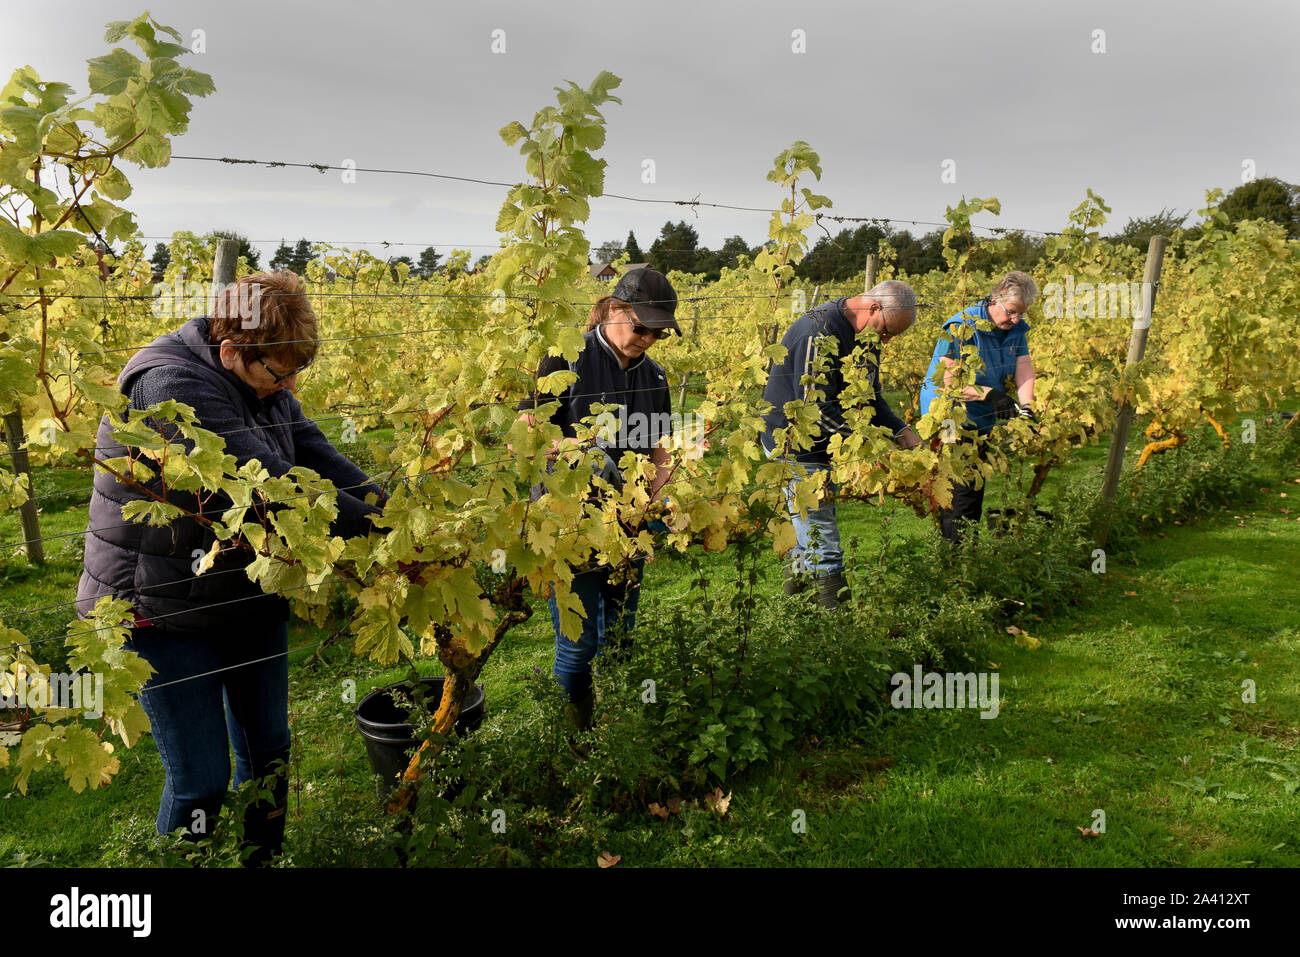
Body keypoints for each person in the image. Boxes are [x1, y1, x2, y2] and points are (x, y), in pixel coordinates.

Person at [77, 270, 386, 865]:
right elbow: (273, 486)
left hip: (241, 593)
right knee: (202, 781)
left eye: (298, 372)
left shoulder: (264, 376)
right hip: (159, 607)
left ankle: (259, 863)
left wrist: (394, 509)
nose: (291, 386)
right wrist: (375, 530)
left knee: (269, 752)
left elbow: (318, 456)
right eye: (281, 373)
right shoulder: (169, 385)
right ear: (231, 352)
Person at [516, 267, 680, 733]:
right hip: (569, 522)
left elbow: (657, 448)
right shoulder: (564, 359)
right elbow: (524, 436)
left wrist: (662, 497)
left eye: (657, 332)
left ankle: (620, 731)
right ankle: (575, 740)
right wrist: (574, 449)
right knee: (579, 641)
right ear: (612, 310)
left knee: (622, 632)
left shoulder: (656, 376)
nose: (648, 338)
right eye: (641, 326)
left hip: (629, 523)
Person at [760, 281, 922, 609]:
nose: (886, 341)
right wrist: (871, 447)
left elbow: (870, 398)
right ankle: (838, 633)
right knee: (823, 539)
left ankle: (795, 618)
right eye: (887, 331)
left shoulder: (868, 335)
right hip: (793, 442)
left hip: (826, 442)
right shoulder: (817, 334)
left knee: (807, 536)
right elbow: (814, 411)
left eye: (893, 337)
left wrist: (901, 430)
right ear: (873, 308)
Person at [918, 270, 1038, 542]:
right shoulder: (961, 326)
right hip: (948, 416)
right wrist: (991, 394)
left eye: (1022, 313)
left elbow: (1024, 369)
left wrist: (1027, 405)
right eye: (1011, 312)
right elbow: (948, 381)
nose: (1016, 318)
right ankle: (955, 554)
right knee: (958, 484)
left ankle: (959, 550)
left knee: (972, 483)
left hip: (981, 419)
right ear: (995, 300)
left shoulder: (1016, 329)